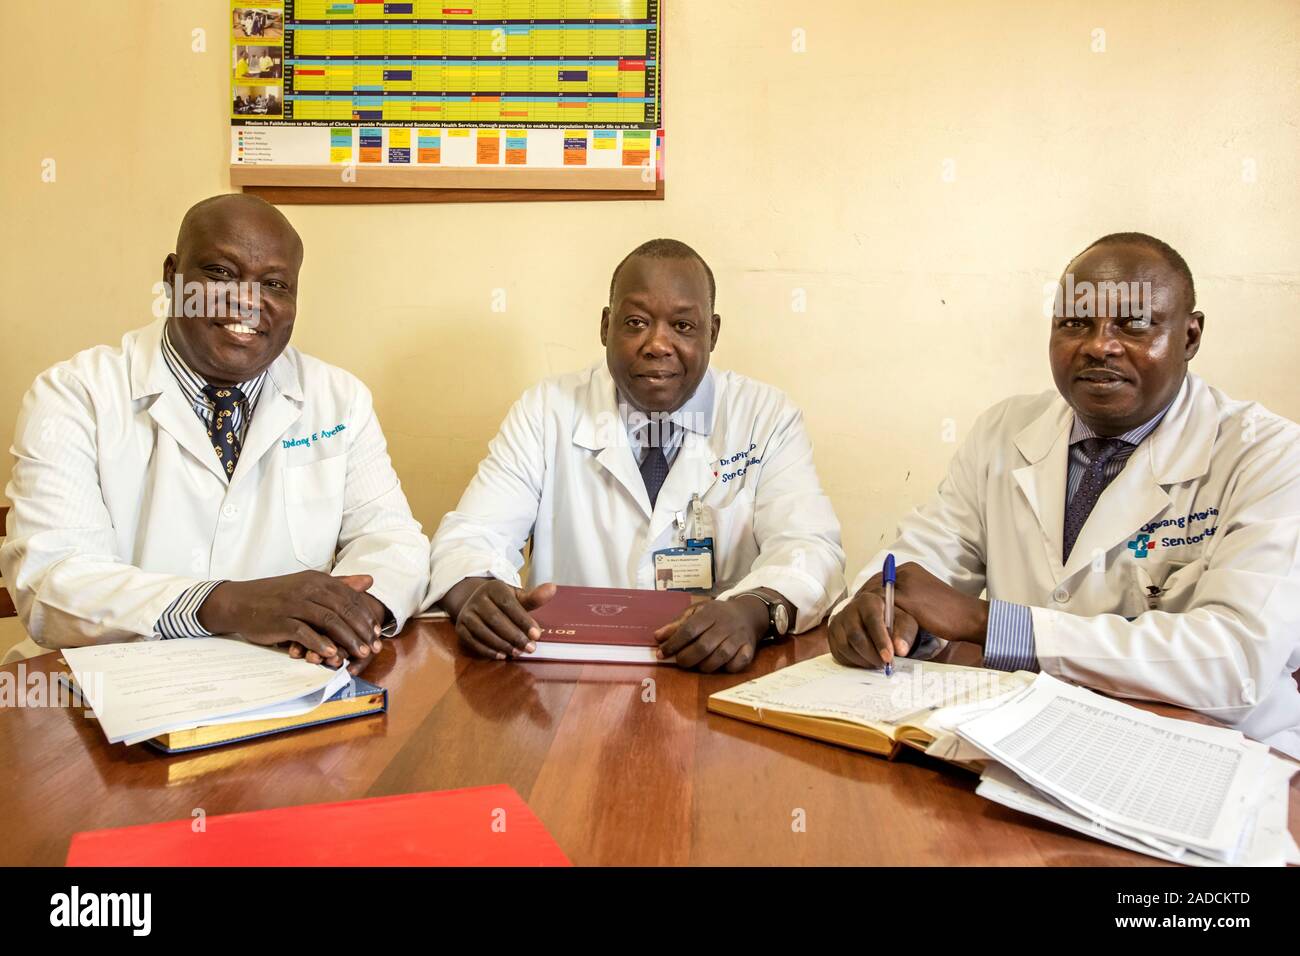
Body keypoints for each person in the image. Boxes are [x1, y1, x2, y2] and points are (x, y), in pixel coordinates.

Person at [830, 232, 1300, 757]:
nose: (1100, 344)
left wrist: (992, 624)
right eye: (1075, 322)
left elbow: (1236, 662)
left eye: (1134, 323)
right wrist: (878, 609)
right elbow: (926, 558)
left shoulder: (1269, 455)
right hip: (1029, 742)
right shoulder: (1005, 431)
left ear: (1190, 337)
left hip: (1215, 758)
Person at [1, 195, 430, 676]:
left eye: (274, 284)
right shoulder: (75, 395)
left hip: (282, 678)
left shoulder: (338, 399)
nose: (248, 302)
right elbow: (53, 585)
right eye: (221, 273)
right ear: (172, 276)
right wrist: (233, 604)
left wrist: (353, 614)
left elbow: (393, 541)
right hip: (103, 694)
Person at [427, 239, 846, 673]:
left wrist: (752, 611)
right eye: (636, 322)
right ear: (606, 326)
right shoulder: (546, 410)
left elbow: (809, 547)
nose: (657, 344)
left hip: (713, 675)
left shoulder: (764, 416)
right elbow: (472, 536)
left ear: (713, 333)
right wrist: (476, 591)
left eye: (683, 326)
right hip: (570, 680)